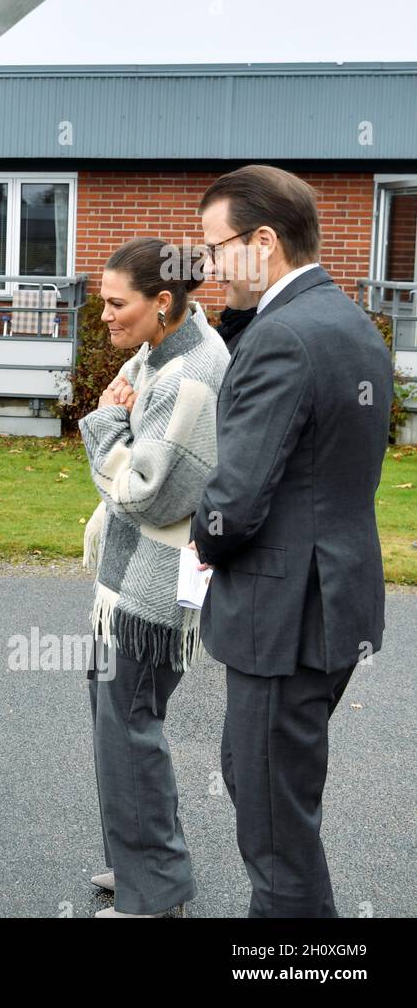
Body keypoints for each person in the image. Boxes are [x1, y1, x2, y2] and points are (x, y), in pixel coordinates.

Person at [191, 165, 392, 917]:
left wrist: (198, 542)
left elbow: (236, 502)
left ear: (264, 240)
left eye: (216, 250)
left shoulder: (283, 338)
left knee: (275, 834)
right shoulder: (347, 321)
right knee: (261, 787)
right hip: (331, 604)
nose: (207, 270)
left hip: (284, 617)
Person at [79, 237, 229, 918]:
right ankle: (139, 867)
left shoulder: (186, 375)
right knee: (120, 728)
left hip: (152, 587)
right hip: (130, 582)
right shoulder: (160, 353)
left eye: (116, 304)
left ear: (161, 302)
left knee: (130, 730)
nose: (104, 317)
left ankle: (154, 895)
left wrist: (106, 422)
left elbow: (146, 493)